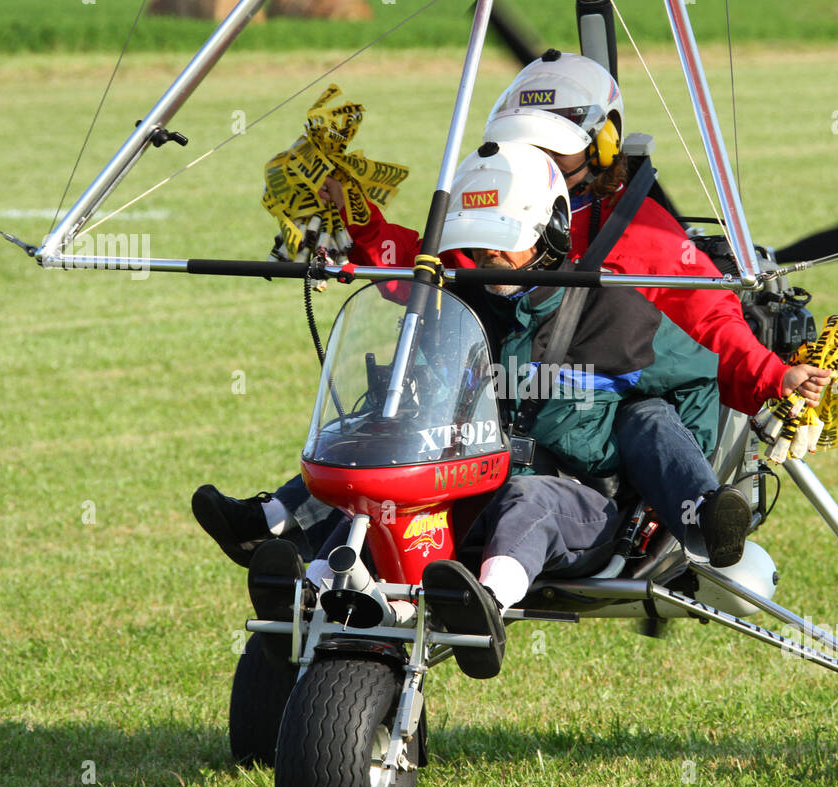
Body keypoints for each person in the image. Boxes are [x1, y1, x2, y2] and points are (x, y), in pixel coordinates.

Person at [194, 51, 829, 577]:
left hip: (596, 409)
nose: (538, 169)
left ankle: (701, 512)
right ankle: (278, 526)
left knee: (647, 421)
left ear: (601, 147)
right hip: (500, 402)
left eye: (555, 155)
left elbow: (708, 313)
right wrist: (358, 219)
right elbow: (425, 273)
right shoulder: (497, 212)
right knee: (392, 418)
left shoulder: (636, 232)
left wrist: (775, 377)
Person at [257, 141, 743, 679]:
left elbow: (701, 376)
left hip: (579, 500)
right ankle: (315, 587)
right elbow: (408, 278)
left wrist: (667, 488)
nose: (487, 260)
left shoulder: (618, 315)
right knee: (388, 497)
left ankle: (485, 602)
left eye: (500, 247)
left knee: (530, 497)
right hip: (477, 479)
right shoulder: (472, 304)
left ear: (552, 234)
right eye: (480, 248)